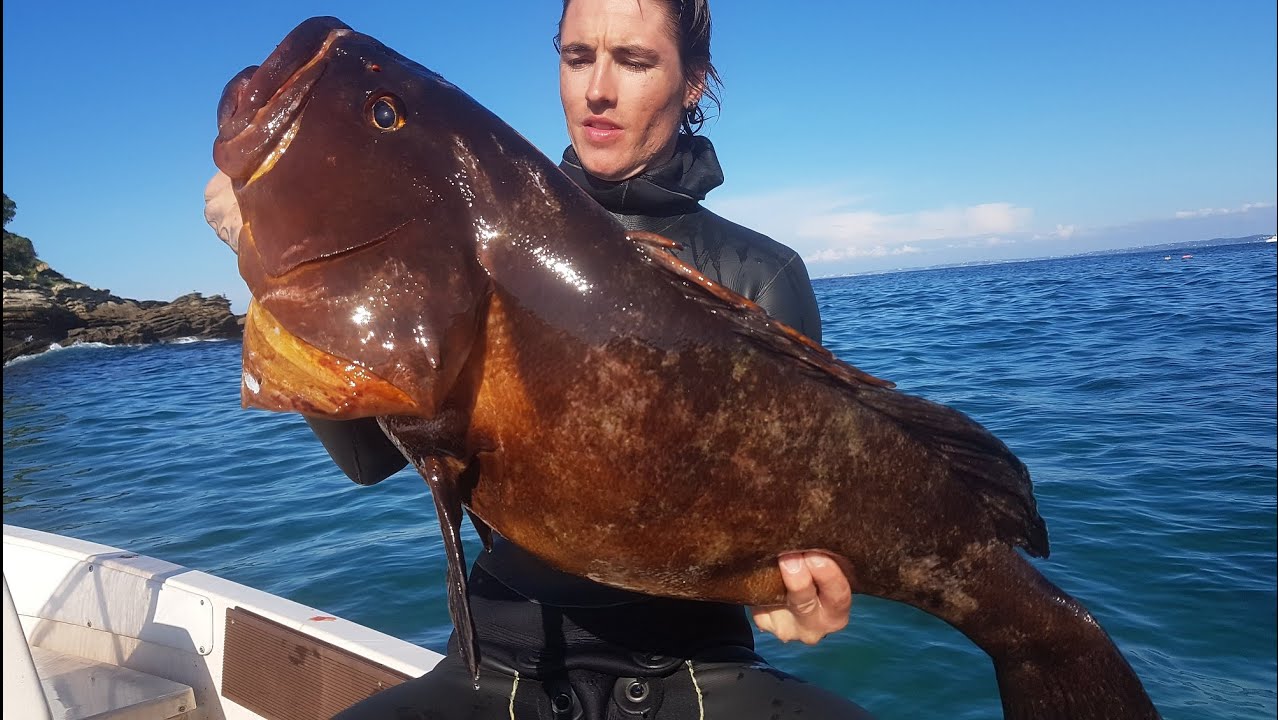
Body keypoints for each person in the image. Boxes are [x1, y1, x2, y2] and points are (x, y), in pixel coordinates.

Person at [206, 1, 875, 717]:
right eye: (578, 56)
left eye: (636, 60)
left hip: (695, 665)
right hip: (496, 658)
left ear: (693, 84)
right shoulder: (474, 230)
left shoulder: (761, 275)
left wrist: (808, 592)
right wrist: (273, 267)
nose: (598, 89)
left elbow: (796, 525)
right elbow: (369, 459)